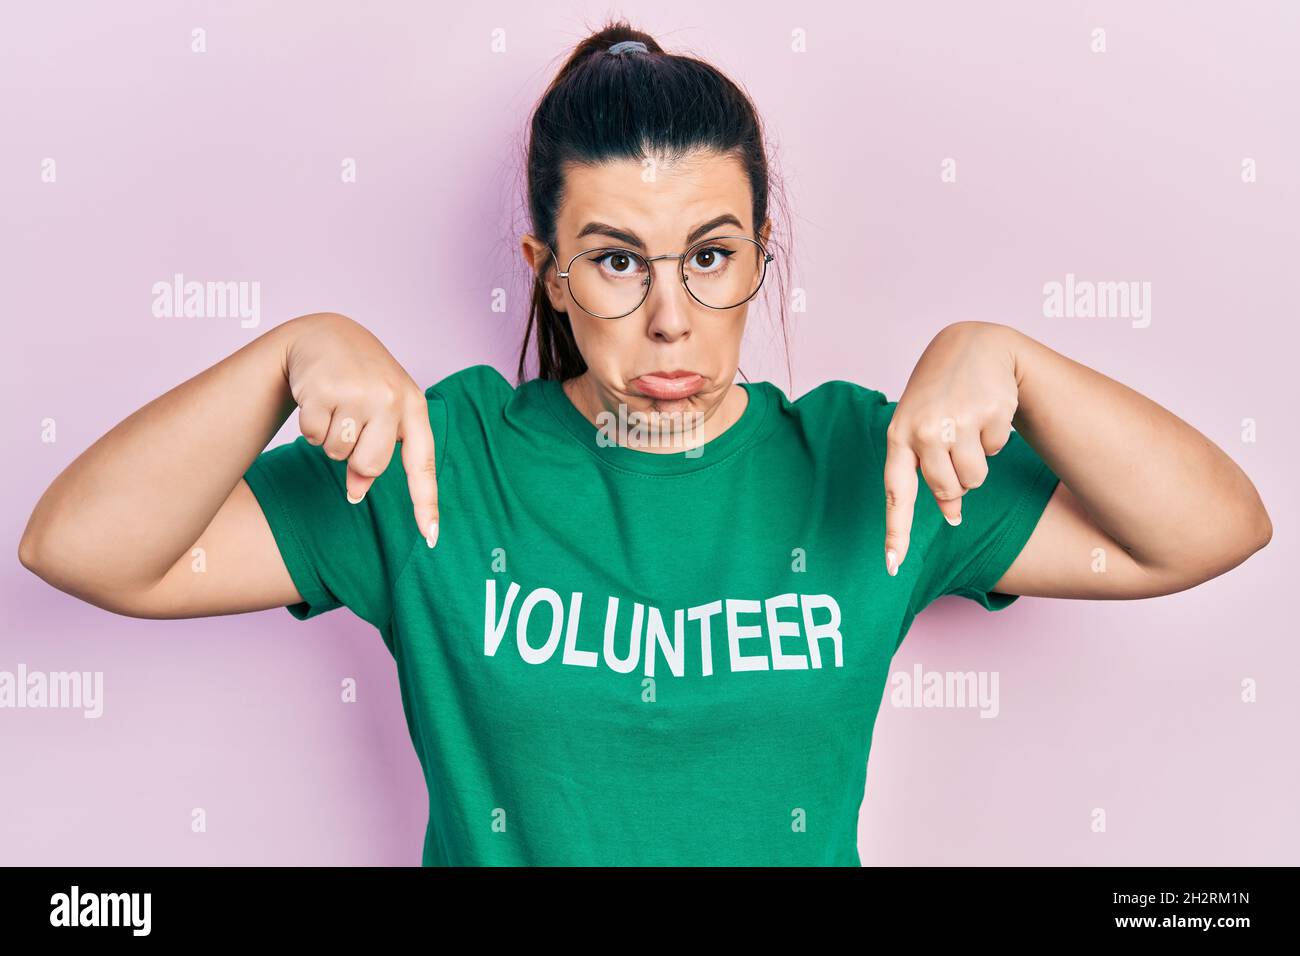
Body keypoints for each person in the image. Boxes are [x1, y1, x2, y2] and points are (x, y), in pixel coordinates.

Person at [17, 21, 1271, 867]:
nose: (669, 315)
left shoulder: (869, 460)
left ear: (759, 260)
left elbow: (1213, 527)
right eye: (616, 261)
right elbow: (84, 549)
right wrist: (286, 355)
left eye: (710, 257)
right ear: (548, 275)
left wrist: (1016, 359)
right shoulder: (431, 461)